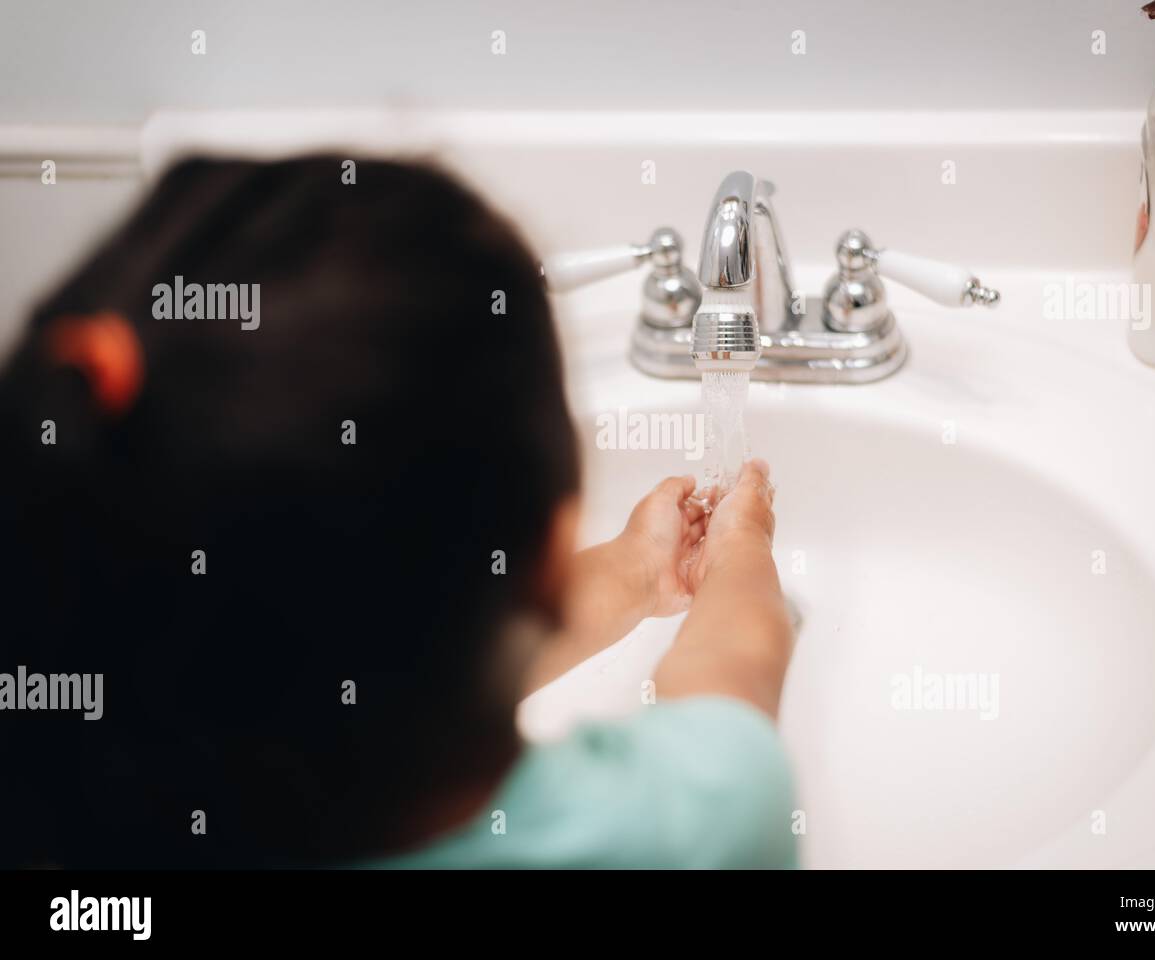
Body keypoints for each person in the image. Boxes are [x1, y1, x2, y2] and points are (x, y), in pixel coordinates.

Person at [0, 156, 796, 869]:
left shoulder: (86, 805)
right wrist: (742, 549)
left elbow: (366, 677)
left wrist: (634, 571)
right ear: (550, 555)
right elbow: (733, 671)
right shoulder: (684, 833)